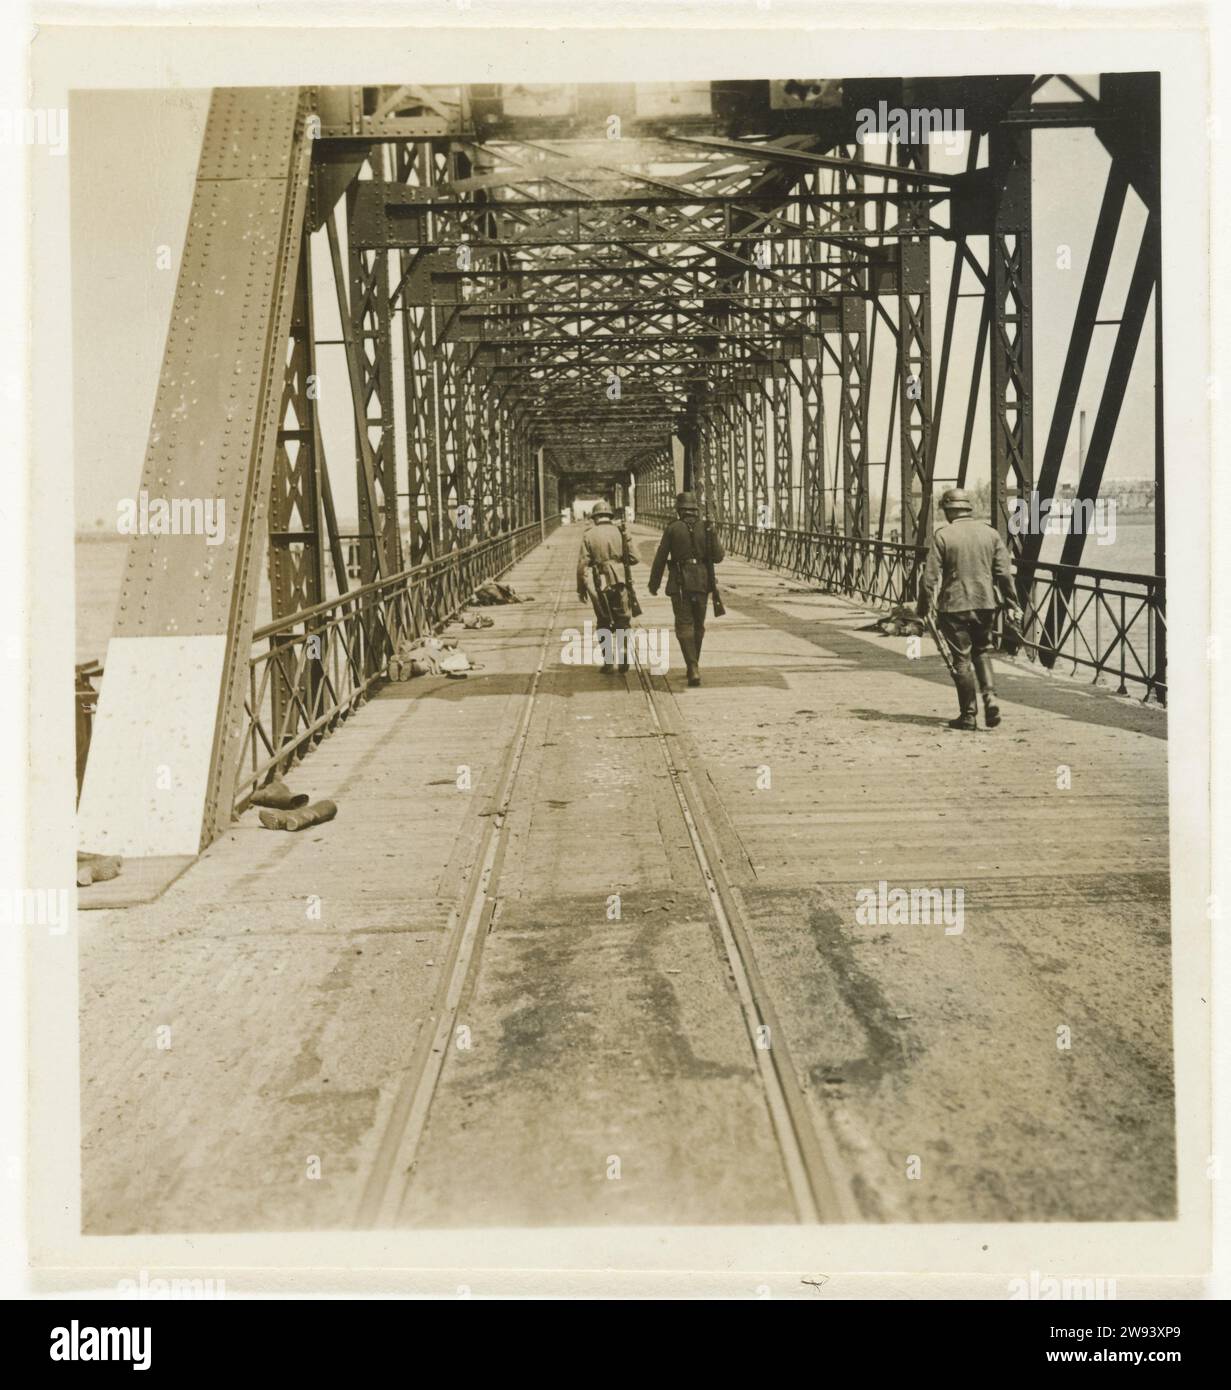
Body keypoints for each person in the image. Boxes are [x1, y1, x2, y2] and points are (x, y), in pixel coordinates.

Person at [916, 487, 1020, 730]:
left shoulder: (943, 536)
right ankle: (990, 696)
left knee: (961, 660)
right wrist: (1012, 602)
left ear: (950, 511)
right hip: (985, 604)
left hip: (953, 607)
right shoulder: (991, 534)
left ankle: (969, 715)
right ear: (968, 509)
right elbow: (1004, 574)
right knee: (982, 651)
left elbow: (928, 578)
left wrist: (922, 609)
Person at [647, 491, 724, 687]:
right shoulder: (706, 528)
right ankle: (694, 665)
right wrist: (713, 532)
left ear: (679, 509)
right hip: (702, 581)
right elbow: (718, 557)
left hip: (680, 583)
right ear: (695, 509)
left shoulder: (673, 529)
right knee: (698, 624)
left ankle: (692, 667)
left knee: (683, 624)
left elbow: (660, 558)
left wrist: (654, 584)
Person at [577, 498, 636, 673]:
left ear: (595, 518)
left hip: (599, 582)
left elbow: (582, 564)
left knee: (603, 620)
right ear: (609, 516)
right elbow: (634, 557)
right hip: (620, 581)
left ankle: (608, 661)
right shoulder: (620, 532)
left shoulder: (589, 534)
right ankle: (624, 657)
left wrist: (581, 589)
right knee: (623, 620)